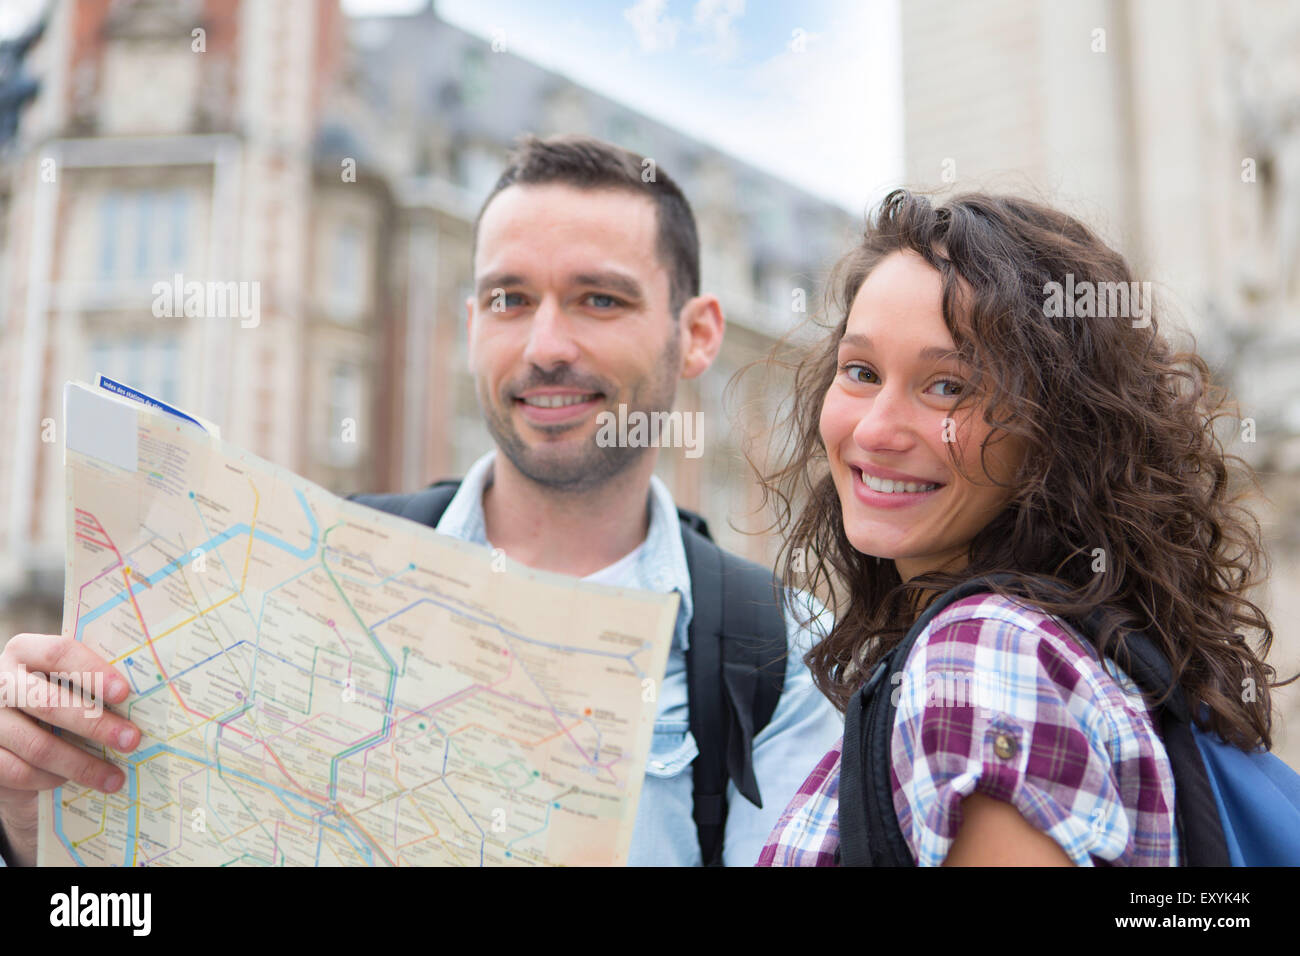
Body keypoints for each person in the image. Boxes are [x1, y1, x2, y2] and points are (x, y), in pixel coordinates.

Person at [0, 134, 843, 867]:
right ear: (472, 320)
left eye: (600, 299)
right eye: (510, 299)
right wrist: (42, 826)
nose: (547, 346)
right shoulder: (305, 572)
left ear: (696, 334)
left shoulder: (784, 652)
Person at [753, 188, 1291, 866]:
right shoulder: (1064, 641)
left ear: (1054, 429)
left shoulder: (981, 654)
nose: (875, 429)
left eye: (948, 385)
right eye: (860, 372)